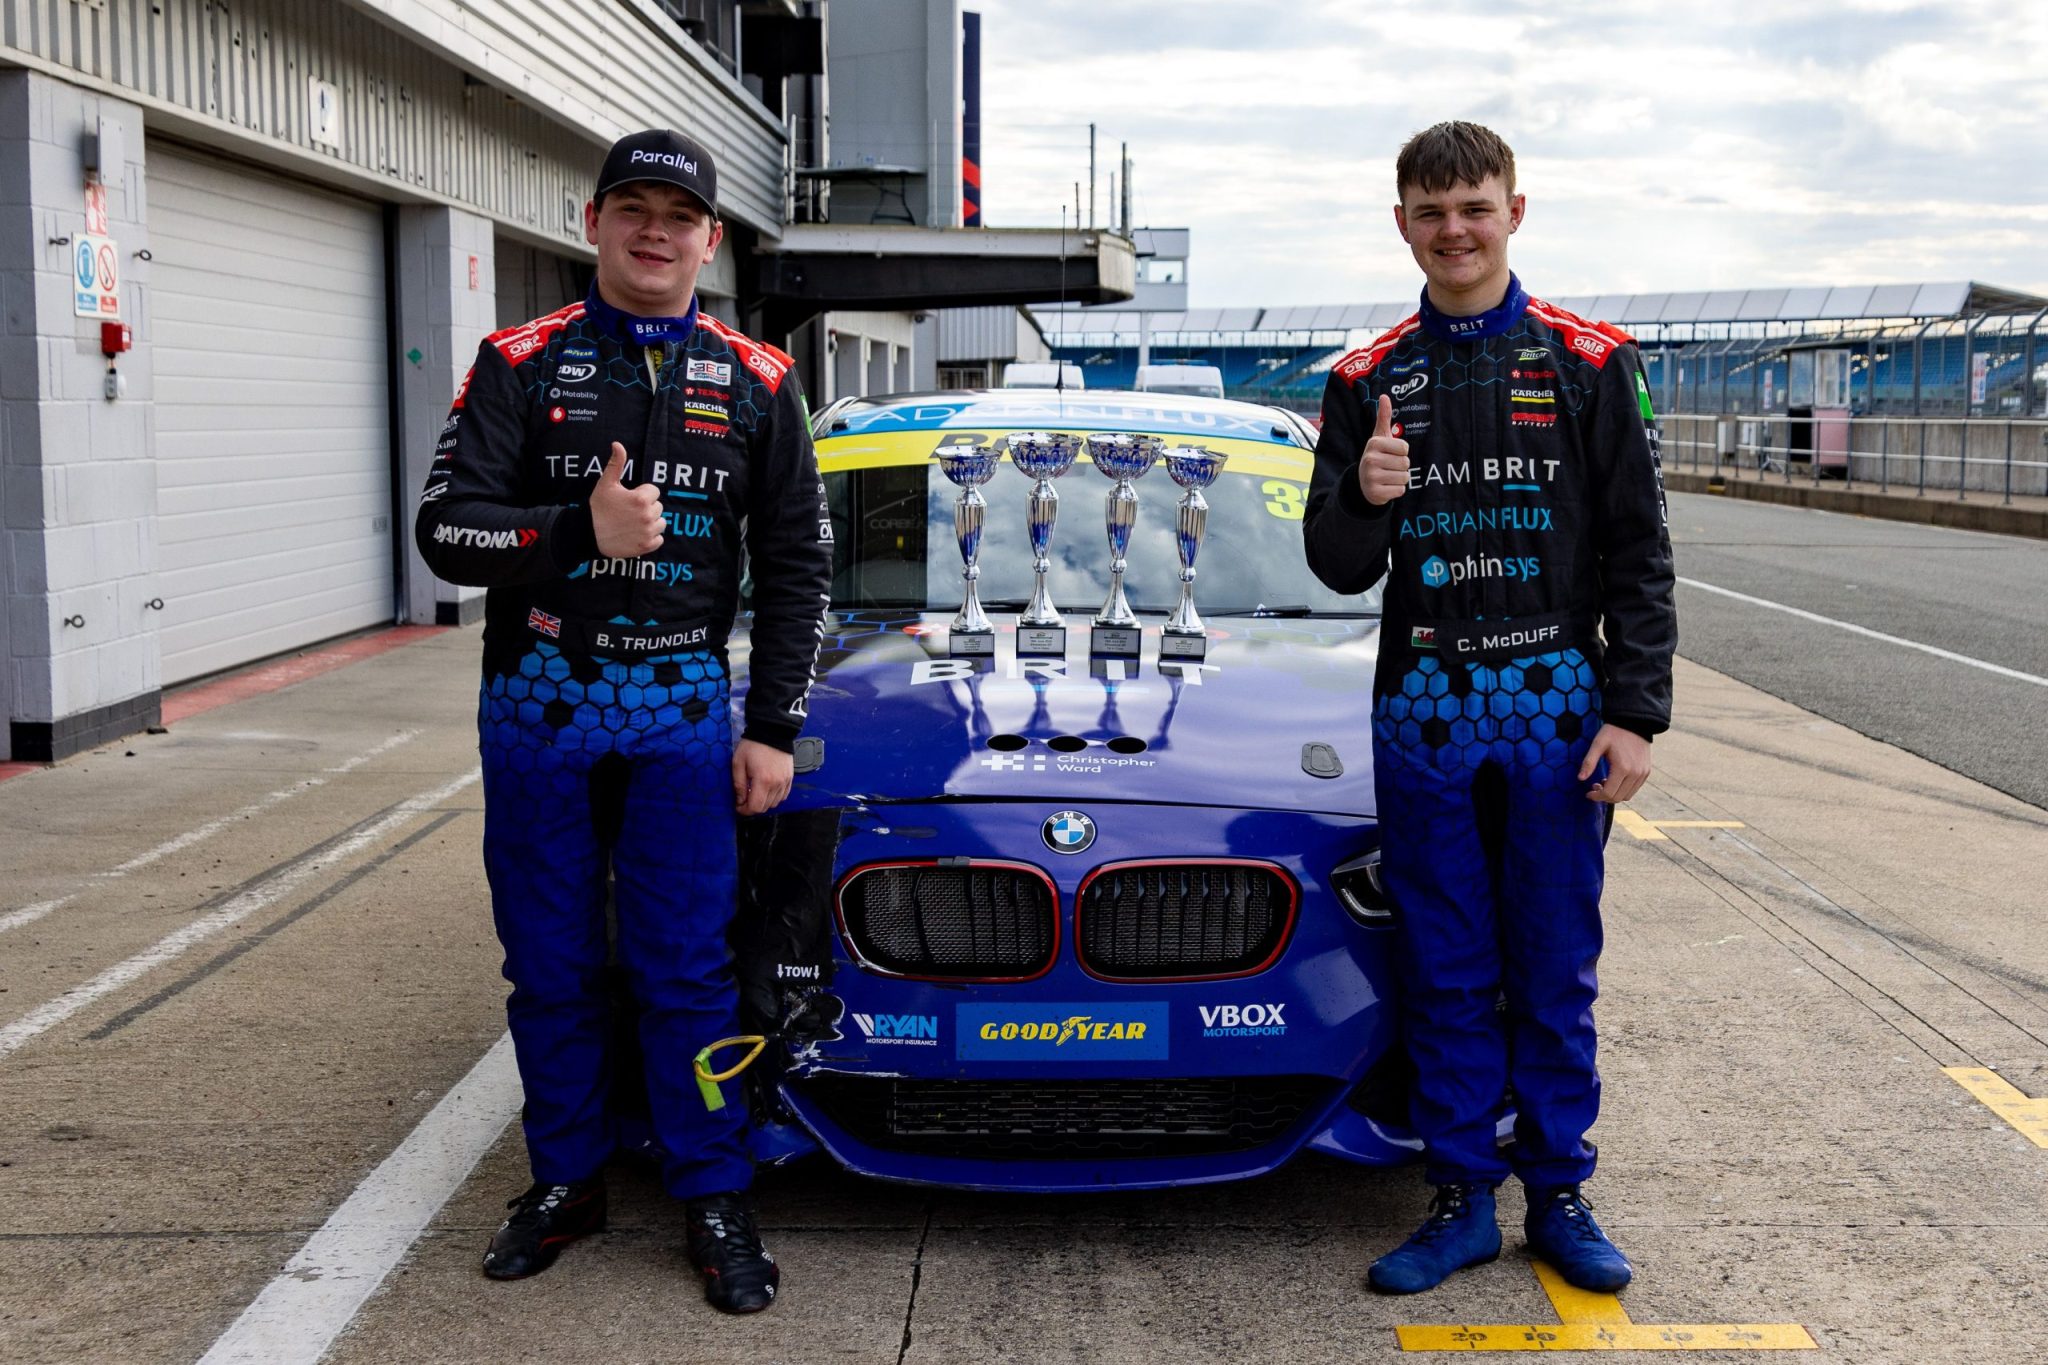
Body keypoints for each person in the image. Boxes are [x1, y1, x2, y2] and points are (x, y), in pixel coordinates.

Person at [416, 127, 831, 1313]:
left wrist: (770, 726)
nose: (655, 232)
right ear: (590, 220)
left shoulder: (758, 377)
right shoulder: (516, 358)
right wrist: (569, 535)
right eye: (631, 208)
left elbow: (798, 564)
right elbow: (446, 532)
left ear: (711, 237)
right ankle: (567, 1181)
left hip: (686, 716)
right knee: (549, 965)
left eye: (678, 215)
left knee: (685, 967)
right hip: (539, 709)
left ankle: (710, 1189)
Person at [1303, 121, 1676, 1295]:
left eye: (1473, 207)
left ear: (1514, 210)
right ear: (1400, 222)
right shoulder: (1362, 378)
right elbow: (1332, 566)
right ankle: (1460, 1195)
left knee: (1553, 961)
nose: (1452, 230)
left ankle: (1558, 1191)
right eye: (1430, 210)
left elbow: (1638, 554)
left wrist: (1636, 711)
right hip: (1423, 723)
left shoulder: (1588, 359)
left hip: (1557, 717)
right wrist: (1362, 498)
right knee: (1445, 965)